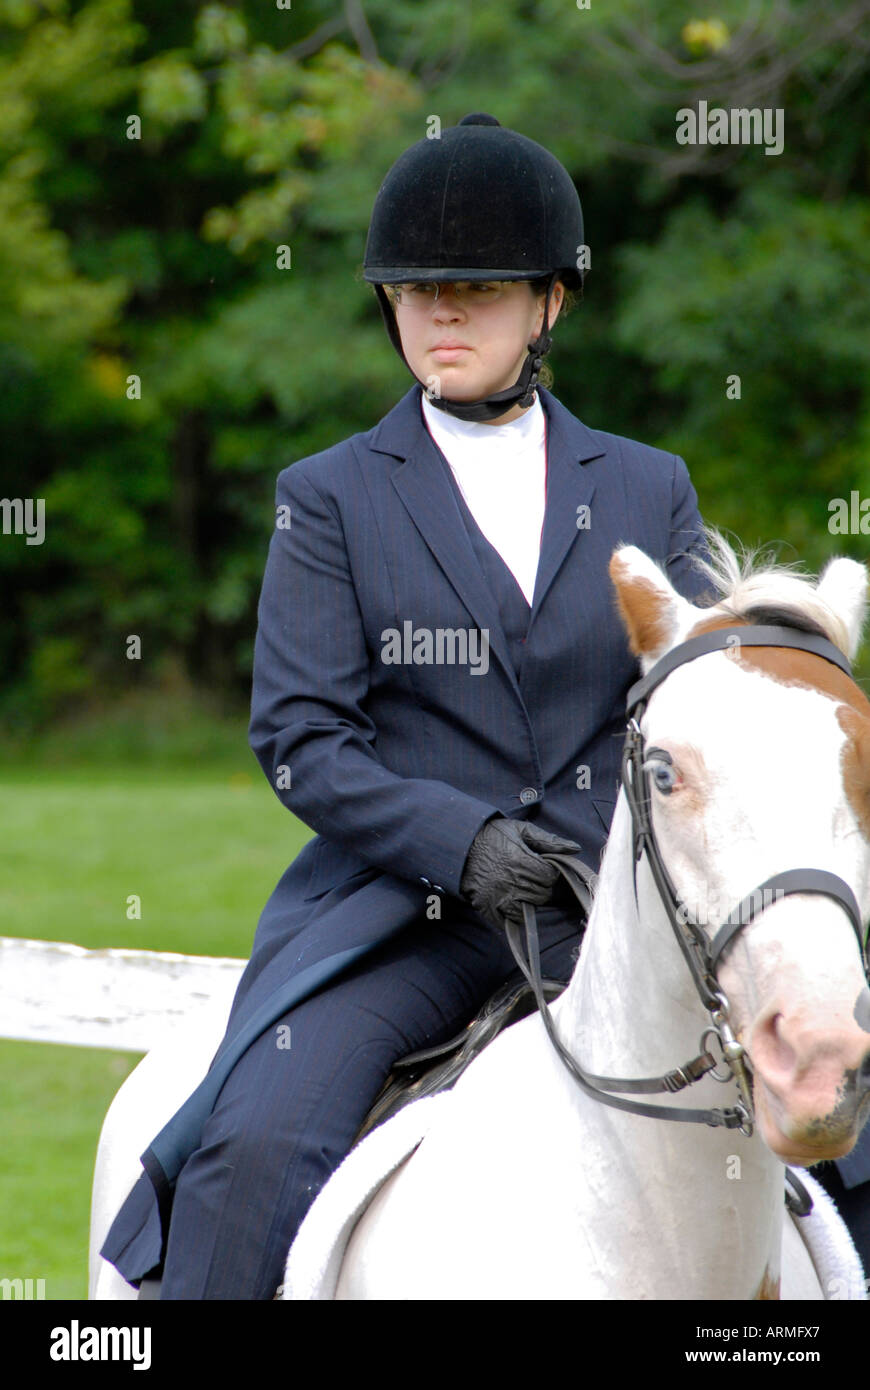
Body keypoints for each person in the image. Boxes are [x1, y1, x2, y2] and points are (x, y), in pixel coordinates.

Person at [99, 112, 712, 1300]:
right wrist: (463, 841)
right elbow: (301, 739)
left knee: (841, 1105)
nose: (440, 311)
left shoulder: (647, 485)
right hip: (408, 918)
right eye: (417, 287)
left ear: (551, 302)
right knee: (254, 1148)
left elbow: (691, 702)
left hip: (612, 914)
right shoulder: (328, 497)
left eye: (476, 288)